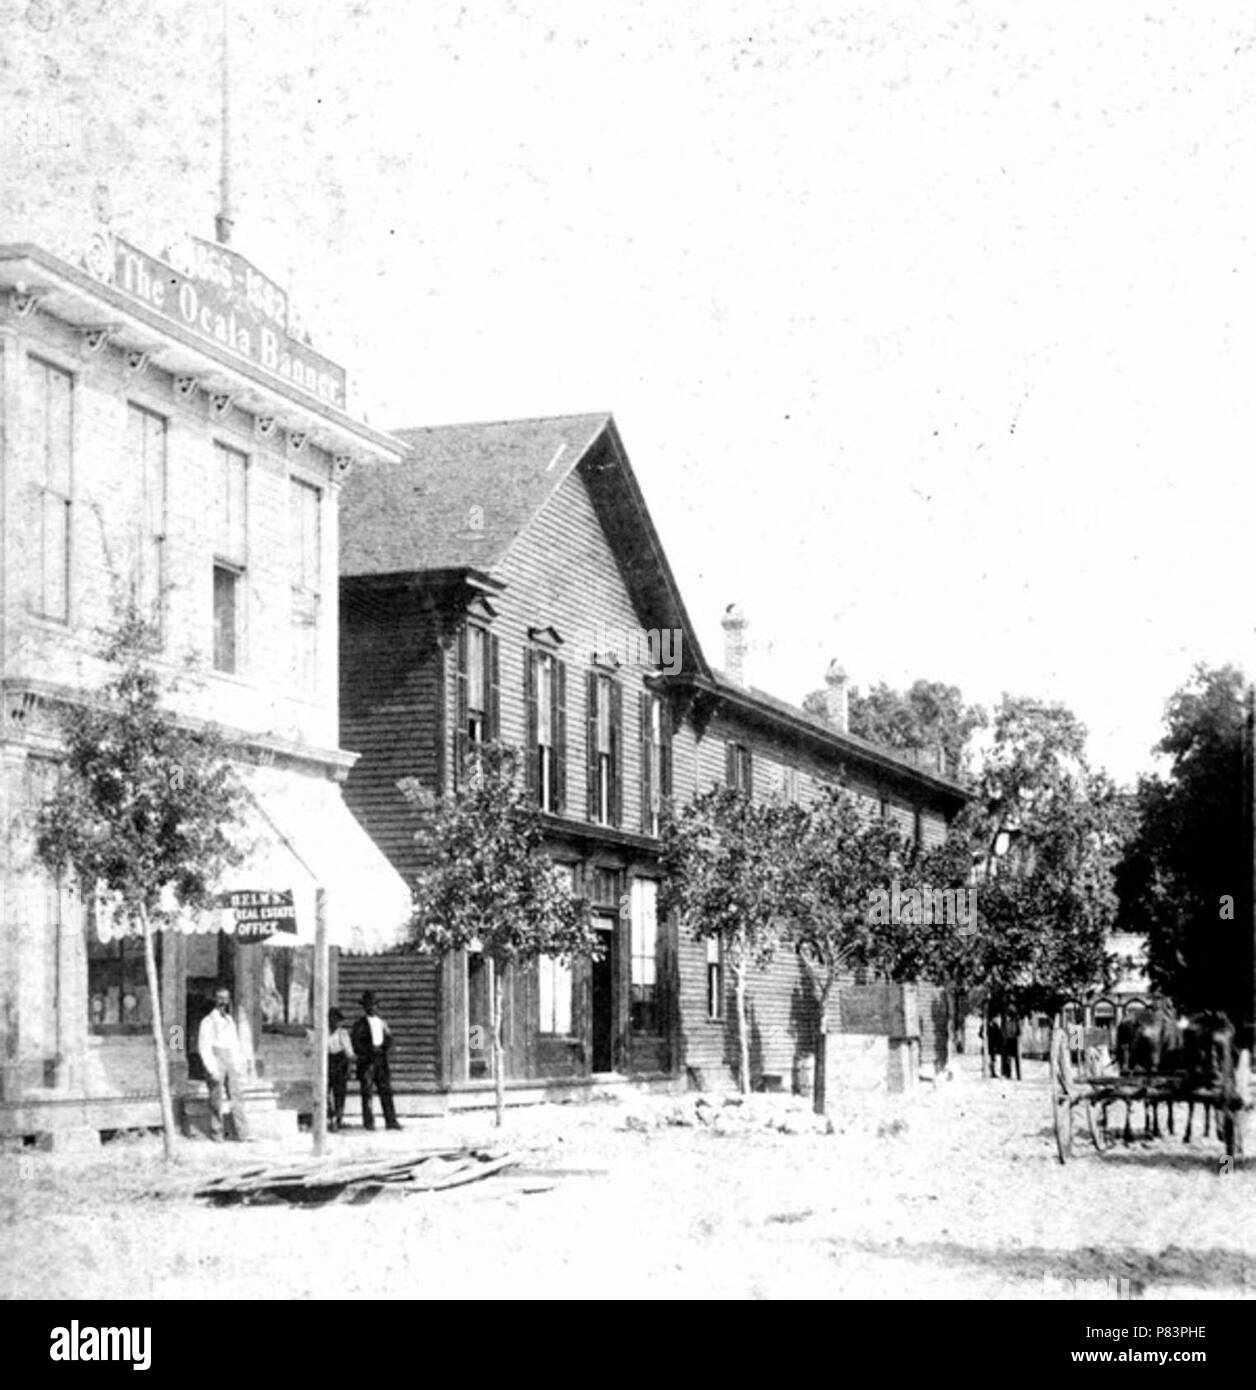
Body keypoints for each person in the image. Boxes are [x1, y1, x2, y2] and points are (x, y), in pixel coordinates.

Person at [197, 986, 251, 1142]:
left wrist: (239, 1064)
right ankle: (217, 1133)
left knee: (236, 1095)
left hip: (230, 1058)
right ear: (214, 999)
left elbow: (235, 1044)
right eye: (220, 998)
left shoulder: (230, 1020)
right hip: (216, 1058)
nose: (223, 1002)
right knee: (216, 1097)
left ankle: (242, 1133)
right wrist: (211, 1068)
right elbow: (204, 1046)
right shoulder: (207, 1021)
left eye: (226, 998)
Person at [351, 991, 402, 1131]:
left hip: (380, 1060)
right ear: (364, 1007)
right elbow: (356, 1043)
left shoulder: (382, 1023)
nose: (371, 1008)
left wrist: (383, 1048)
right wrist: (369, 1050)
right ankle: (369, 1122)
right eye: (368, 1005)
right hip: (367, 1061)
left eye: (374, 1005)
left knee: (386, 1090)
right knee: (367, 1092)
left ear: (377, 1006)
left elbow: (390, 1039)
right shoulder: (359, 1025)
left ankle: (391, 1121)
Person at [327, 1006, 354, 1132]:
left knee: (339, 1093)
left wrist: (349, 1067)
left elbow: (349, 1053)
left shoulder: (342, 1034)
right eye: (332, 1019)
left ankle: (338, 1119)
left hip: (340, 1063)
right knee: (325, 1093)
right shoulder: (323, 1033)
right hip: (327, 1063)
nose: (334, 1022)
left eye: (337, 1020)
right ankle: (329, 1117)